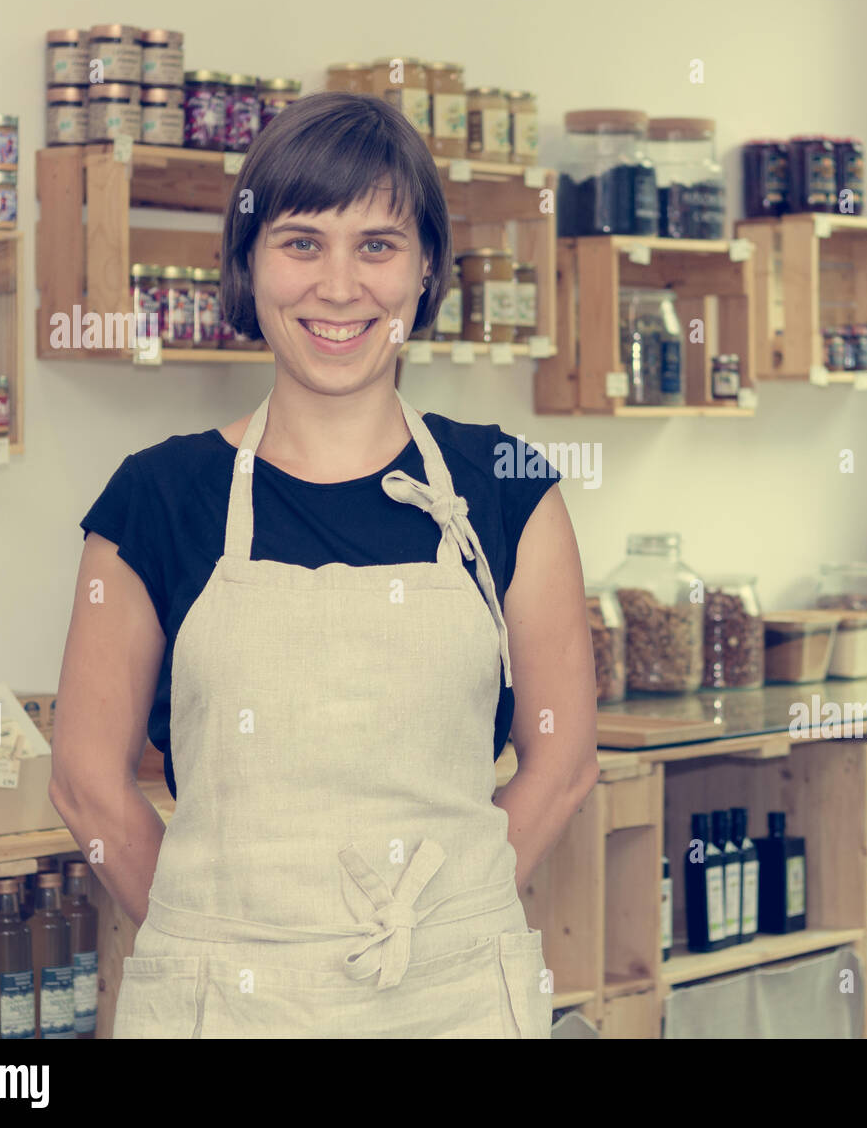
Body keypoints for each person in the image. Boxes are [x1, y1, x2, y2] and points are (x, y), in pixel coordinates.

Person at [49, 92, 599, 1038]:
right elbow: (86, 782)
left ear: (427, 269)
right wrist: (222, 943)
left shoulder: (507, 486)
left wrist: (442, 925)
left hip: (458, 1002)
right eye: (301, 242)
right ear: (248, 265)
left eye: (378, 245)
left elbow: (565, 761)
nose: (339, 287)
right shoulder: (158, 498)